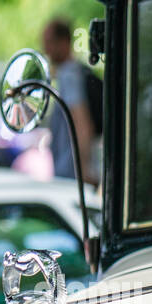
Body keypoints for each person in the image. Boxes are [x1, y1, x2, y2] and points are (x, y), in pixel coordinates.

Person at [41, 18, 97, 184]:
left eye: (50, 42)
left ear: (64, 42)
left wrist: (84, 170)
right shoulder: (74, 72)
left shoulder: (69, 75)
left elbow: (82, 123)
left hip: (72, 175)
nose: (46, 49)